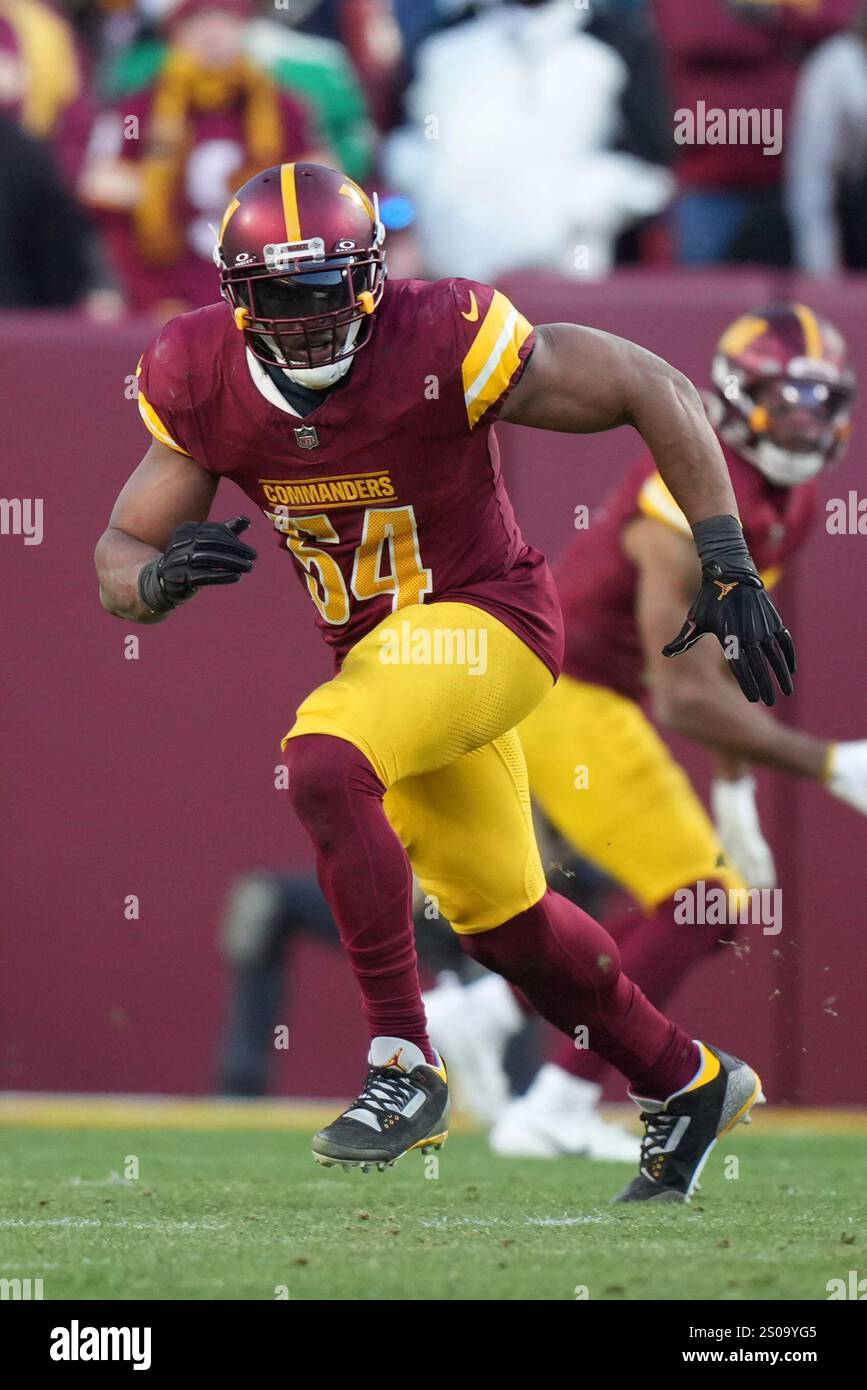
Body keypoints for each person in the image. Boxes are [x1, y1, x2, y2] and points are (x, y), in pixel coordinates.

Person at [95, 161, 795, 1204]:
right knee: (505, 922)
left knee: (325, 760)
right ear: (239, 298)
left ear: (372, 280)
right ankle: (684, 1080)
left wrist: (728, 559)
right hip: (388, 667)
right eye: (282, 294)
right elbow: (116, 552)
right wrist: (153, 582)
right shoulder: (201, 376)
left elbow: (657, 387)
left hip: (491, 623)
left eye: (329, 286)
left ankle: (400, 1061)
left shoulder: (446, 336)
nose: (309, 315)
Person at [425, 304, 867, 1159]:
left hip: (597, 698)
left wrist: (735, 790)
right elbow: (682, 691)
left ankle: (484, 1016)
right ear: (738, 400)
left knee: (699, 902)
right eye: (788, 399)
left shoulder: (794, 498)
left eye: (822, 400)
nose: (805, 420)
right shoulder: (691, 487)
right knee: (701, 903)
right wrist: (829, 764)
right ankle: (554, 1100)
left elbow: (722, 658)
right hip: (557, 690)